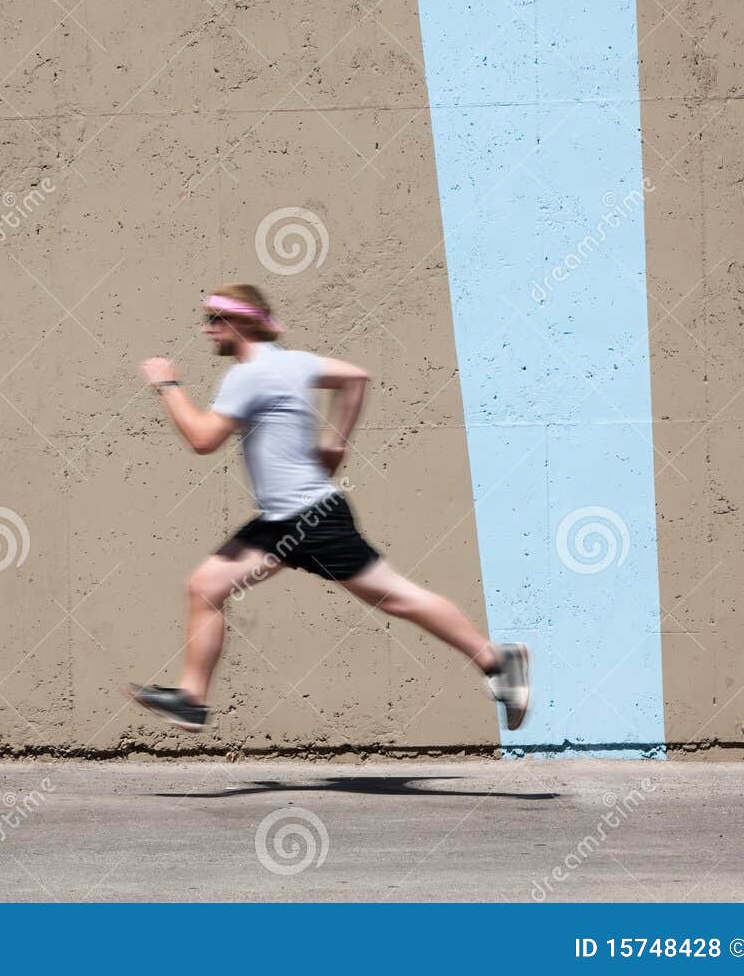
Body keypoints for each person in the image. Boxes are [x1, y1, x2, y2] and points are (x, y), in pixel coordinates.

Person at [126, 283, 530, 734]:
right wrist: (336, 445)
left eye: (215, 319)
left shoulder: (249, 375)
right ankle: (191, 699)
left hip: (308, 519)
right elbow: (355, 377)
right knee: (205, 587)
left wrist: (167, 384)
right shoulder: (293, 361)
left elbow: (203, 439)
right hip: (283, 521)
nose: (207, 330)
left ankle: (497, 659)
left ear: (243, 321)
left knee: (396, 597)